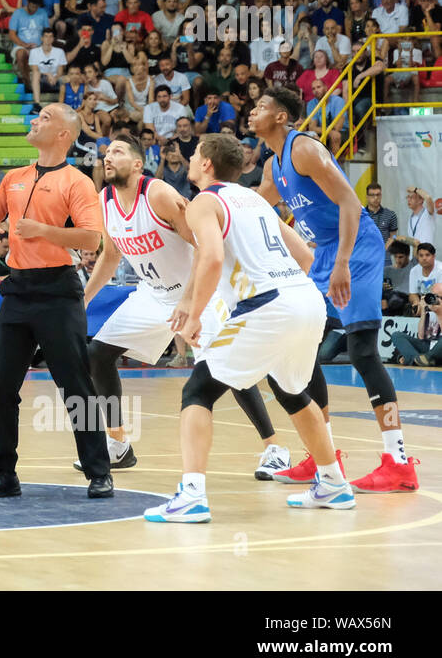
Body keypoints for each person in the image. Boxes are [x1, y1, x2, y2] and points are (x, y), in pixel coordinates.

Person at [142, 133, 354, 522]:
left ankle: (191, 496)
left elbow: (210, 258)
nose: (189, 158)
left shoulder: (205, 201)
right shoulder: (254, 198)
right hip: (304, 298)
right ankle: (334, 483)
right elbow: (305, 256)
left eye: (194, 154)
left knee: (198, 390)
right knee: (292, 393)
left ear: (206, 164)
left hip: (268, 304)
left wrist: (193, 316)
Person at [82, 135, 290, 479]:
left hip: (199, 293)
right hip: (153, 294)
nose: (107, 157)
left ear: (137, 164)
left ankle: (274, 448)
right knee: (97, 355)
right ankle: (118, 444)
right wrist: (85, 298)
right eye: (105, 153)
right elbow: (111, 255)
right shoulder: (103, 199)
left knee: (228, 366)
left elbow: (203, 249)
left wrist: (190, 301)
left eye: (117, 152)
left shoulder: (159, 194)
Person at [253, 87, 420, 492]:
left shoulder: (304, 149)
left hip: (356, 246)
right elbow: (255, 205)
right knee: (302, 344)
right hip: (326, 251)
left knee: (362, 352)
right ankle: (323, 455)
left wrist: (343, 261)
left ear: (280, 117)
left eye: (260, 106)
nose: (252, 110)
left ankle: (397, 461)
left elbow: (348, 201)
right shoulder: (273, 165)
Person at [0, 104, 111, 499]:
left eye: (46, 117)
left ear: (64, 134)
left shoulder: (77, 181)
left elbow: (91, 240)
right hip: (17, 289)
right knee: (0, 384)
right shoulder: (14, 177)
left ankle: (99, 471)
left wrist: (42, 231)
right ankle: (3, 475)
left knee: (76, 386)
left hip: (58, 292)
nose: (36, 120)